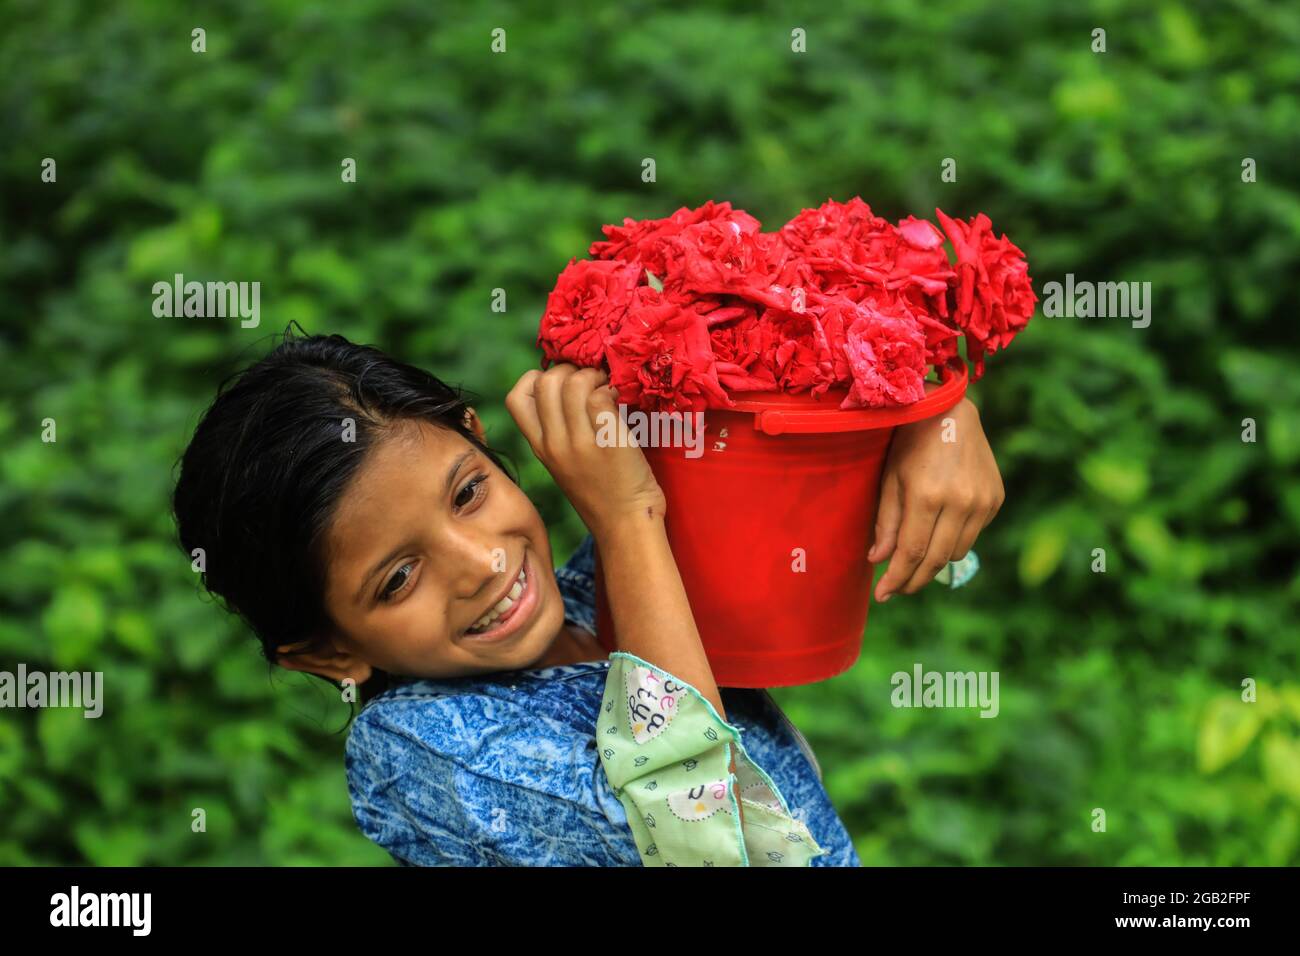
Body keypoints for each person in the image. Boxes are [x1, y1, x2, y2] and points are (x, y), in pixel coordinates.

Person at [171, 329, 1003, 866]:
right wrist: (629, 515)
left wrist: (937, 415)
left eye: (466, 494)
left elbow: (790, 431)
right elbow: (707, 839)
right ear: (329, 651)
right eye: (398, 578)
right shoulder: (421, 751)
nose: (480, 564)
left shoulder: (587, 589)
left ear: (478, 437)